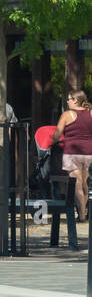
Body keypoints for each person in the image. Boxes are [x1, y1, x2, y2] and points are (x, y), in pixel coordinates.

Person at [54, 90, 92, 222]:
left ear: (76, 100)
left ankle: (81, 215)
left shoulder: (67, 114)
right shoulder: (90, 113)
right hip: (89, 152)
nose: (67, 101)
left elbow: (57, 135)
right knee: (85, 183)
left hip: (72, 152)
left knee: (77, 184)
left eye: (69, 99)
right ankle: (84, 211)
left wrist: (53, 141)